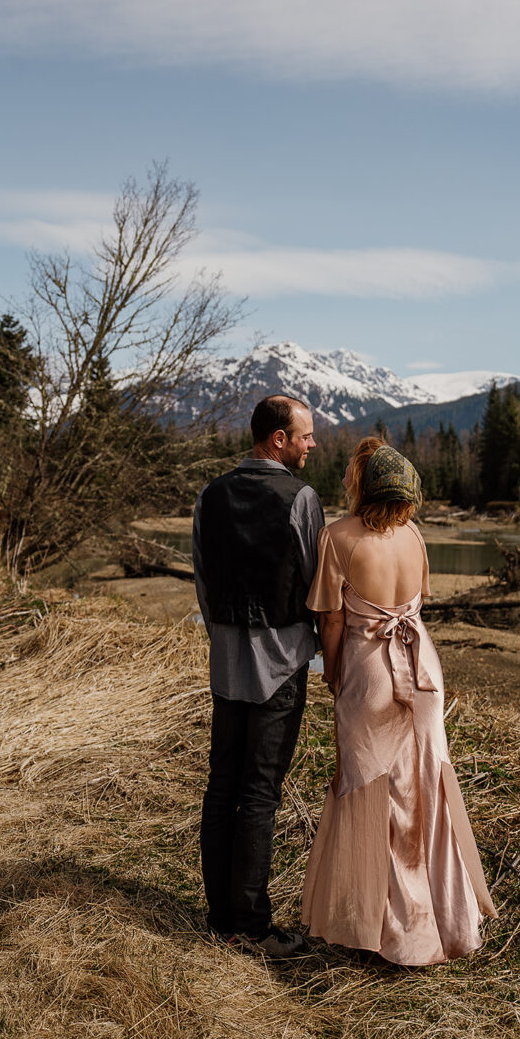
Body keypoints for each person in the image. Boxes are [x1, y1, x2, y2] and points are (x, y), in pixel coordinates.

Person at [301, 437, 497, 965]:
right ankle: (438, 923)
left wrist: (334, 672)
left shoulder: (337, 537)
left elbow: (334, 619)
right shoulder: (414, 535)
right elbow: (415, 606)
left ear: (362, 485)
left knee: (370, 794)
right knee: (425, 796)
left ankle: (383, 930)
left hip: (371, 673)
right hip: (422, 670)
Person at [193, 394, 324, 958]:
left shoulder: (209, 495)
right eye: (306, 435)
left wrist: (222, 638)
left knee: (222, 786)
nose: (312, 445)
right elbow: (318, 586)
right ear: (279, 440)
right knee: (259, 794)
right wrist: (321, 653)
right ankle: (249, 929)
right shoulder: (302, 499)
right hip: (281, 665)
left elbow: (202, 579)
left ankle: (220, 916)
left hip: (226, 664)